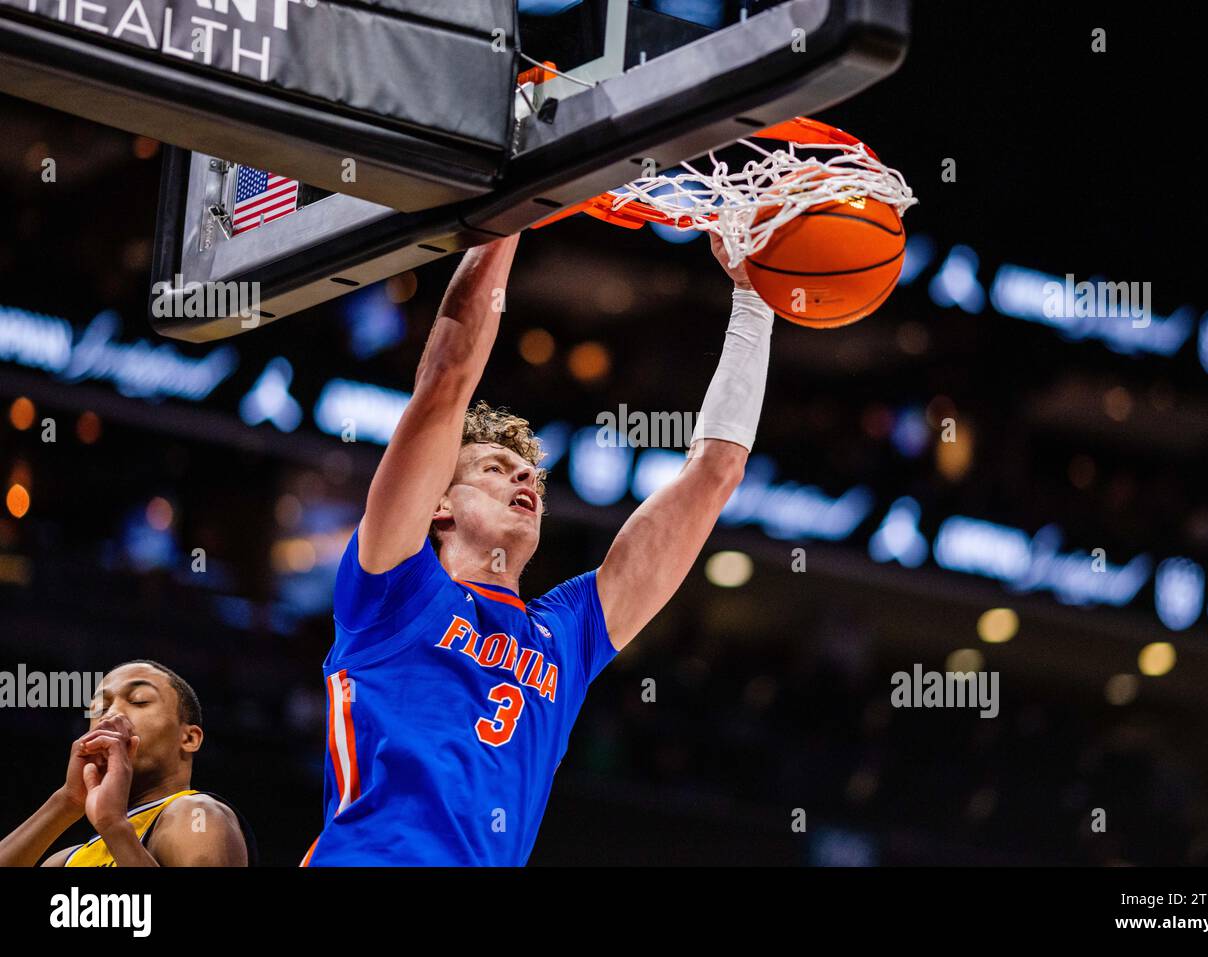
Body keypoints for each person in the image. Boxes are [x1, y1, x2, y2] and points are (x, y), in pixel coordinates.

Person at [301, 233, 772, 865]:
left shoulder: (566, 636)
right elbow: (447, 378)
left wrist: (754, 298)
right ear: (438, 505)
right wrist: (511, 215)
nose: (524, 479)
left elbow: (716, 472)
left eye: (530, 476)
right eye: (496, 468)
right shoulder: (392, 586)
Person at [0, 660, 253, 866]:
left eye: (139, 700)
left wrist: (114, 825)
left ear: (189, 737)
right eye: (99, 708)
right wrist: (67, 801)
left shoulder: (198, 813)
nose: (111, 715)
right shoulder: (66, 860)